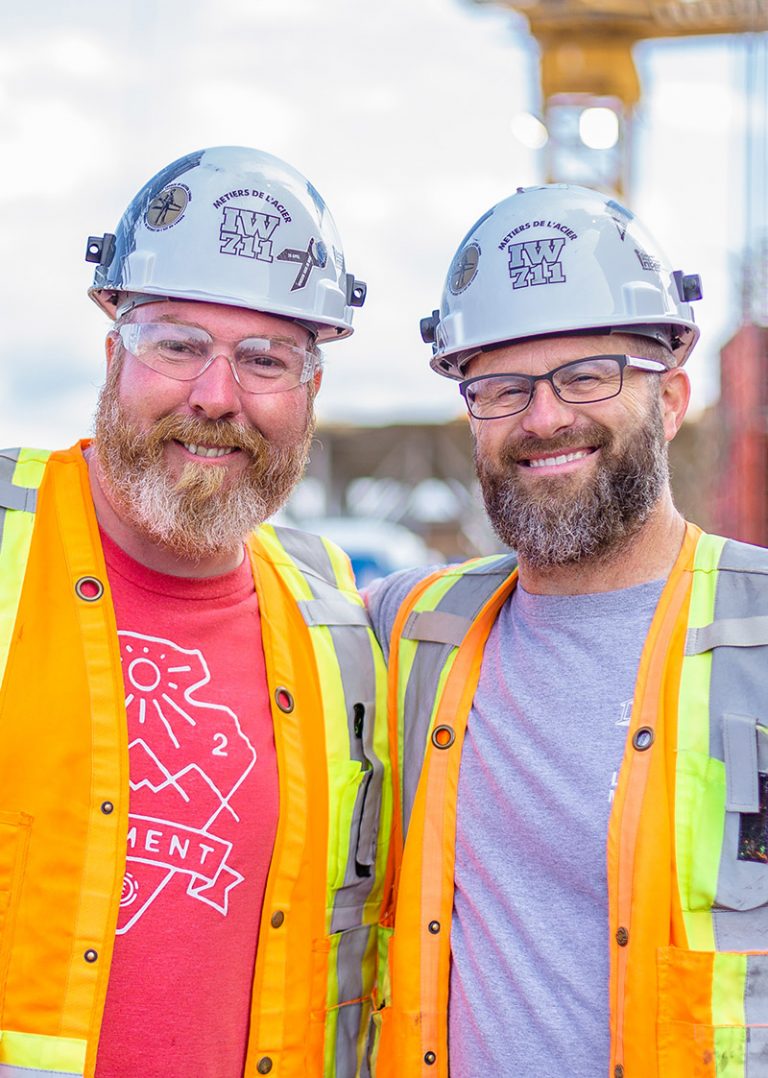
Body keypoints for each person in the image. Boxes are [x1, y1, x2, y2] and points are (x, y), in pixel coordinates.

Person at [0, 146, 391, 1078]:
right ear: (112, 354)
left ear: (311, 392)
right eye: (177, 345)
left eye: (265, 359)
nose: (217, 397)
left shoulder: (336, 618)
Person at [369, 184, 768, 1077]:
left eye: (588, 376)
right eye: (502, 386)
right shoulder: (414, 633)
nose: (544, 417)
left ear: (669, 400)